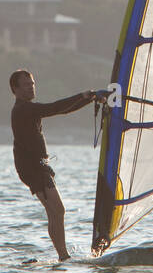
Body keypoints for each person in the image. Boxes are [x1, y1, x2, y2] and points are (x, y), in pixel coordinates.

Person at [9, 69, 103, 261]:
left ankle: (62, 256)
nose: (31, 87)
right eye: (26, 85)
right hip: (33, 169)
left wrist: (86, 99)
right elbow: (56, 108)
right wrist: (84, 97)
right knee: (57, 210)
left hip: (40, 166)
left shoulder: (29, 108)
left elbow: (60, 109)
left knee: (55, 211)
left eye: (32, 83)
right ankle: (63, 256)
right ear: (15, 89)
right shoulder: (23, 109)